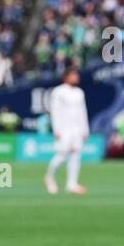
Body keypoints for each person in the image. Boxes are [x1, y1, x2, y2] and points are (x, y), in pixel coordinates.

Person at [44, 66, 89, 195]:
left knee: (76, 155)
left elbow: (83, 112)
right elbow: (55, 112)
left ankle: (72, 184)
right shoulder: (59, 92)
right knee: (62, 155)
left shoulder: (79, 92)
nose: (76, 77)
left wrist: (85, 129)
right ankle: (49, 177)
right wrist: (57, 129)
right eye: (73, 75)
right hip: (64, 129)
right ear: (66, 77)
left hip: (77, 129)